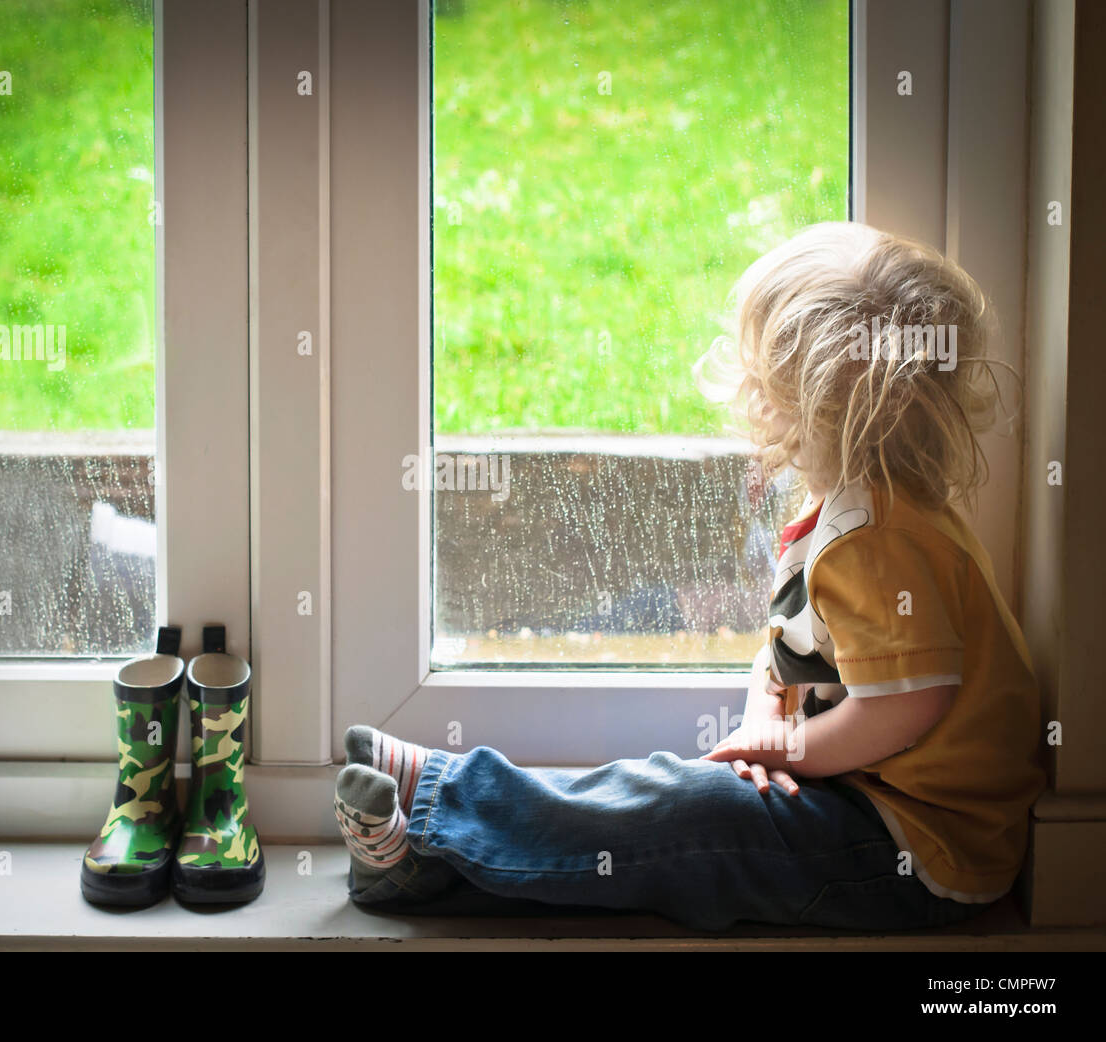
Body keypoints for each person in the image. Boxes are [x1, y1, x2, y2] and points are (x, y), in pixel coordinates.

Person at [332, 222, 1048, 931]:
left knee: (681, 819)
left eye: (766, 384)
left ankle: (434, 814)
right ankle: (425, 842)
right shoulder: (852, 505)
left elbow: (908, 704)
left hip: (915, 852)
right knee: (669, 826)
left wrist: (786, 748)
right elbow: (790, 649)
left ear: (806, 414)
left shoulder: (879, 542)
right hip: (867, 805)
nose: (750, 399)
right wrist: (768, 717)